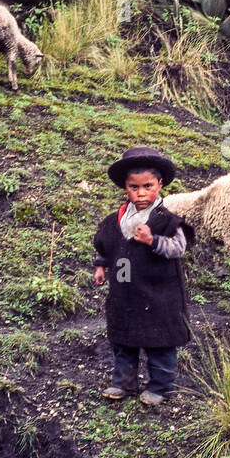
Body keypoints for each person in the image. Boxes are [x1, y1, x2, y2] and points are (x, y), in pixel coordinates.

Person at [92, 147, 193, 406]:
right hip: (125, 291)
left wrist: (153, 240)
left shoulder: (168, 221)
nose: (141, 193)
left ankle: (159, 386)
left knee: (160, 342)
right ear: (126, 187)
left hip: (159, 293)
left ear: (160, 184)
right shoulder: (116, 219)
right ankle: (124, 382)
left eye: (147, 186)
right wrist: (102, 267)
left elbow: (178, 249)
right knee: (124, 340)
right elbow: (106, 244)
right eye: (133, 187)